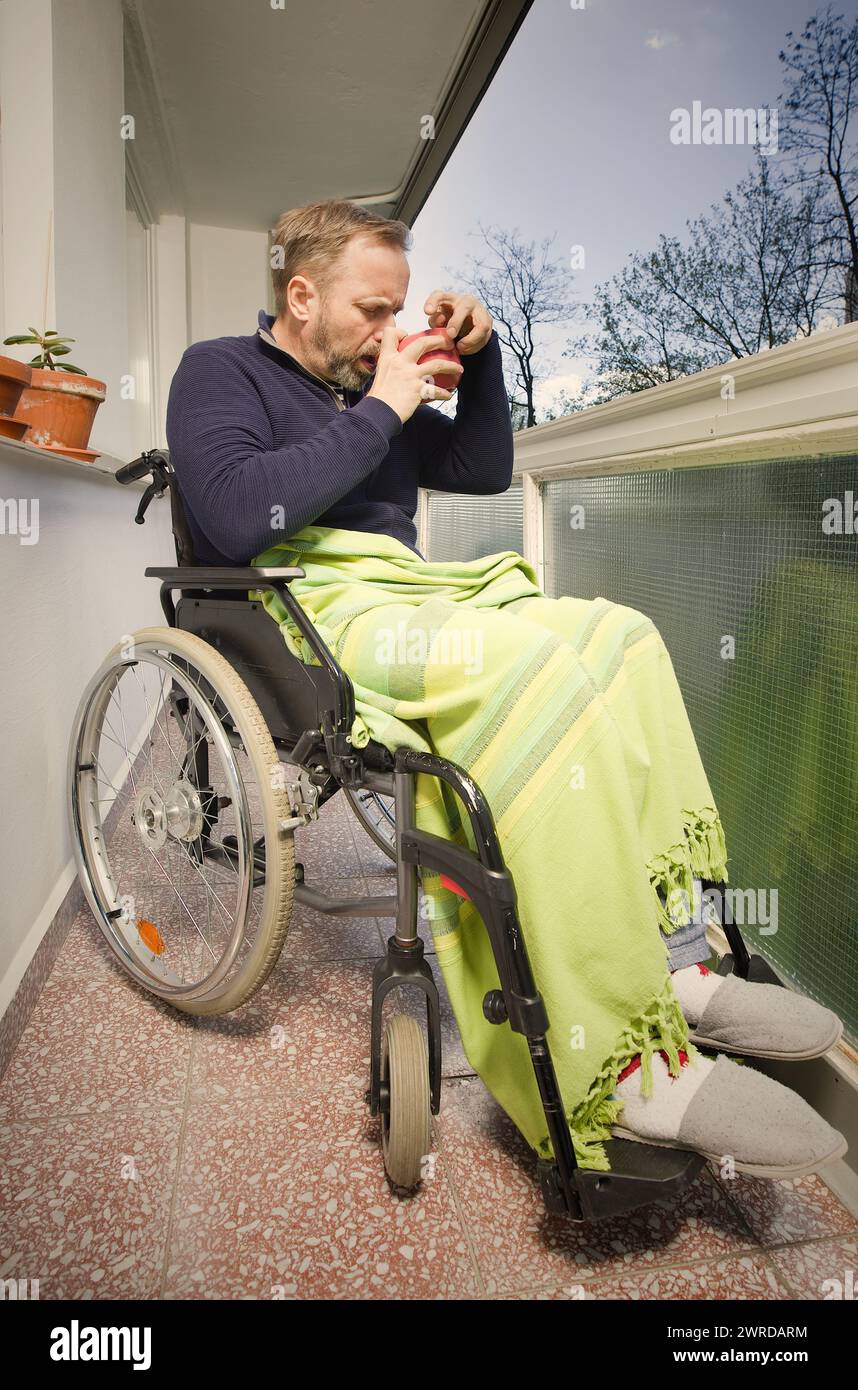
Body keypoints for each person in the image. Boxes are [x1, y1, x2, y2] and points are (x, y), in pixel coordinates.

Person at [166, 199, 846, 1178]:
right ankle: (623, 1065)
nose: (389, 330)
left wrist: (480, 362)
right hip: (315, 607)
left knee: (624, 638)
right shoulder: (220, 371)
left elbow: (484, 468)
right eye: (371, 309)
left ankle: (678, 959)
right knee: (535, 673)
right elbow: (237, 516)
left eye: (399, 308)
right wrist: (386, 406)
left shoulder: (366, 385)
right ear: (300, 294)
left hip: (418, 592)